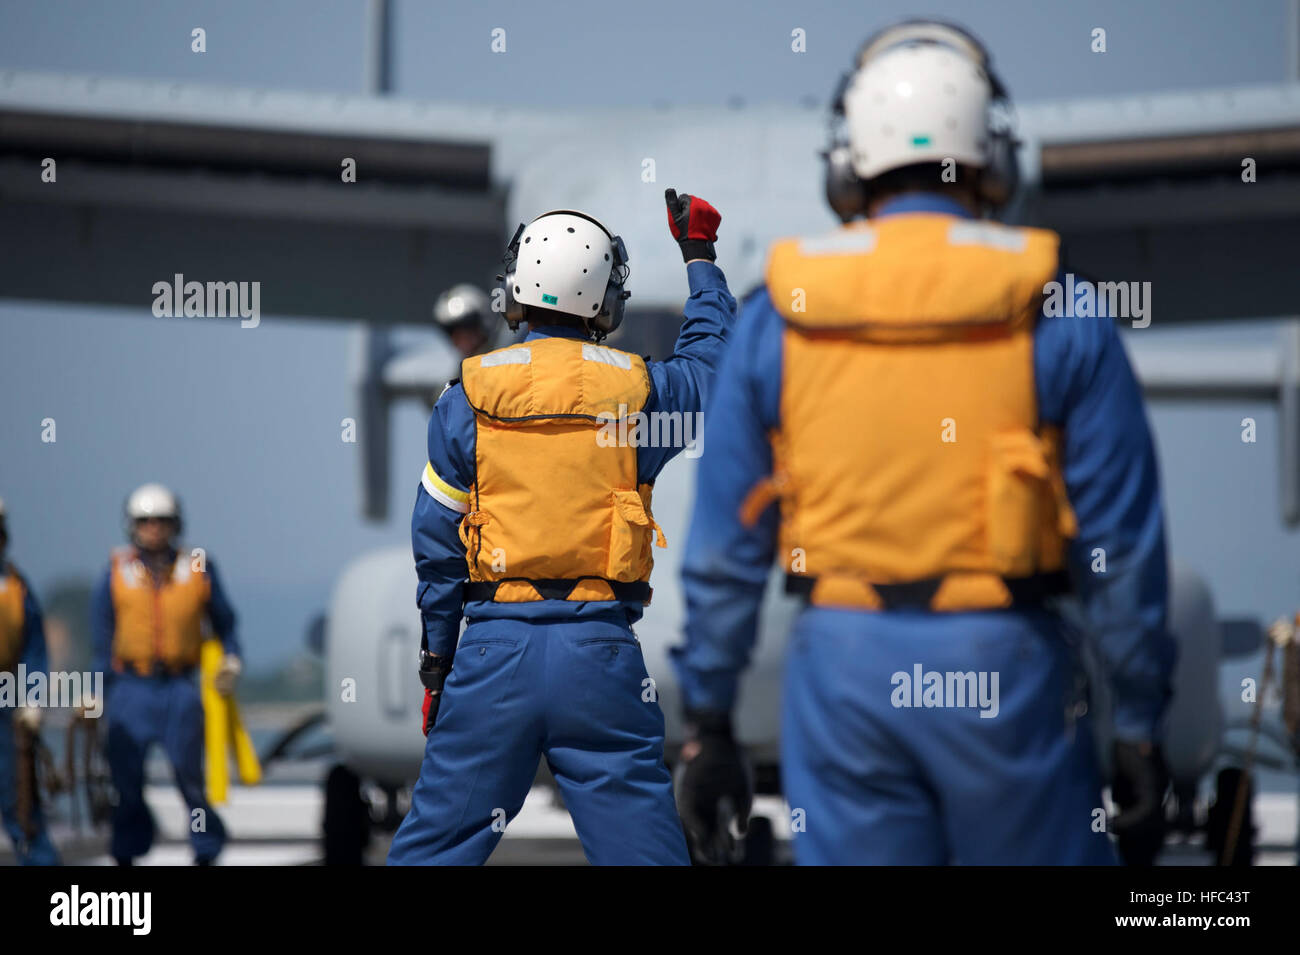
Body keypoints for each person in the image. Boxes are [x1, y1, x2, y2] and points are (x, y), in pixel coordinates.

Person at [671, 20, 1176, 865]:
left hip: (843, 668)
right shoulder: (1062, 306)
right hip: (1005, 664)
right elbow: (1118, 547)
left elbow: (724, 549)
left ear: (847, 160)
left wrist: (710, 722)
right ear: (994, 155)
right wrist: (1141, 723)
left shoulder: (775, 315)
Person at [388, 189, 735, 865]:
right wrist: (699, 256)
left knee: (432, 851)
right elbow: (713, 362)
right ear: (606, 300)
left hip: (491, 655)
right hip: (601, 656)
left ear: (515, 290)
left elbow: (436, 544)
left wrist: (439, 659)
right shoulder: (642, 395)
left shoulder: (466, 399)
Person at [91, 483, 242, 865]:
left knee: (189, 777)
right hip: (130, 689)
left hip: (180, 687)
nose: (153, 529)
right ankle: (128, 850)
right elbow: (102, 639)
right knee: (125, 779)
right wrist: (95, 691)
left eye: (161, 521)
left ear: (175, 523)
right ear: (132, 526)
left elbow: (225, 623)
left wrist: (232, 659)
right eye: (145, 521)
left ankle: (206, 849)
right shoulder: (115, 572)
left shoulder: (198, 567)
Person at [0, 498, 61, 865]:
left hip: (6, 697)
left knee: (20, 799)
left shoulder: (17, 588)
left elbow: (34, 653)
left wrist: (31, 699)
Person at [432, 283, 509, 361]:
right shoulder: (463, 370)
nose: (459, 338)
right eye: (450, 330)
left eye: (466, 326)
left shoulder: (508, 360)